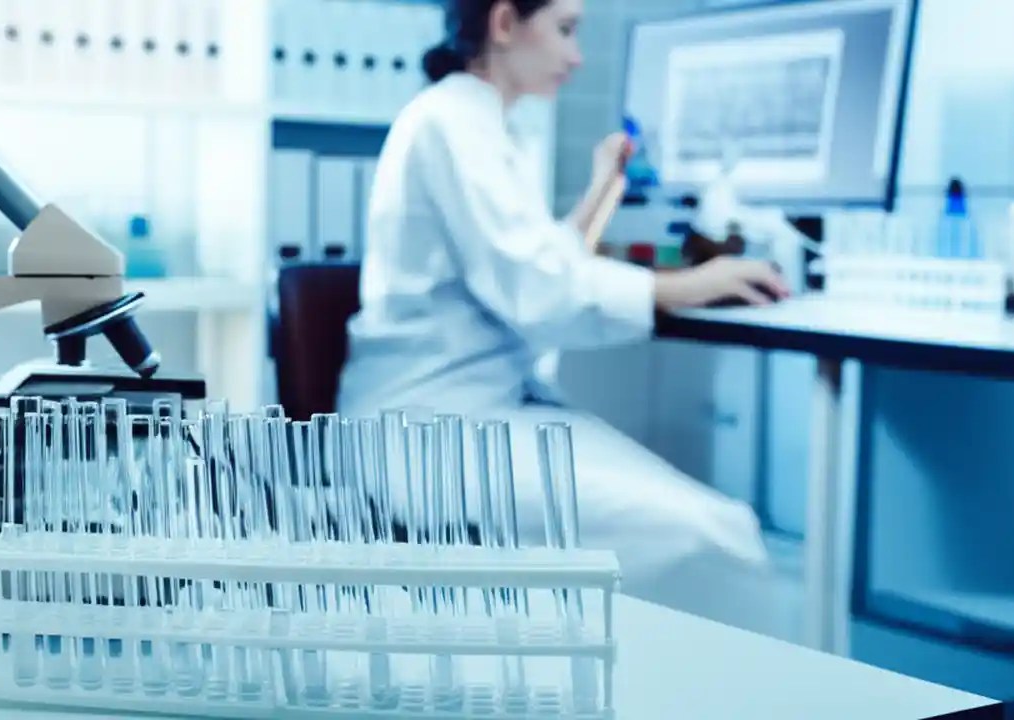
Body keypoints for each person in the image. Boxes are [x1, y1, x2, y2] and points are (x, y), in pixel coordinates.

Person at [336, 0, 793, 636]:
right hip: (431, 432)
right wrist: (692, 283)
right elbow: (542, 290)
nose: (577, 55)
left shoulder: (478, 122)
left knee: (716, 528)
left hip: (476, 414)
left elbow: (538, 262)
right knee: (720, 535)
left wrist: (604, 185)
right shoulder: (453, 123)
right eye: (566, 30)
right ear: (503, 24)